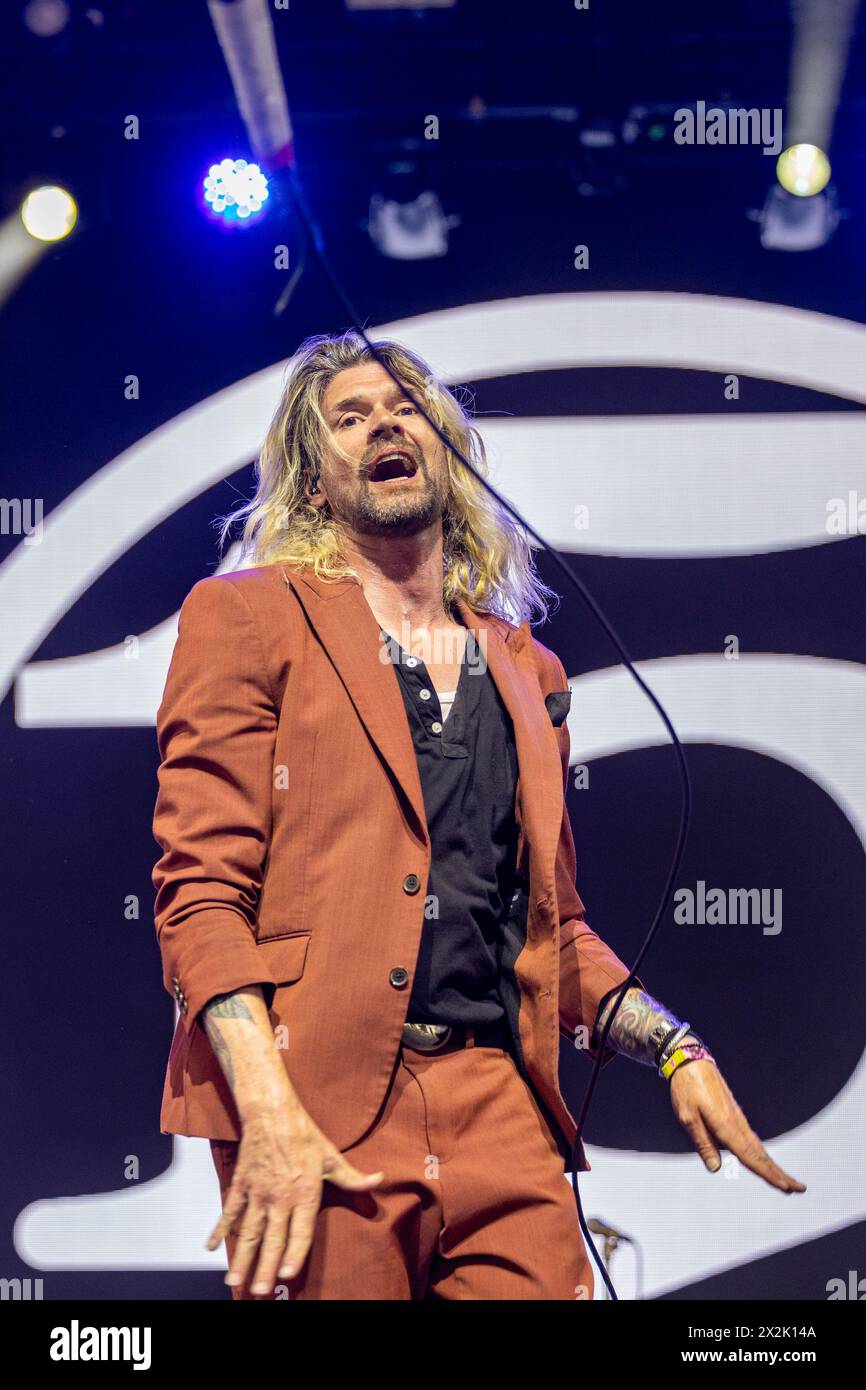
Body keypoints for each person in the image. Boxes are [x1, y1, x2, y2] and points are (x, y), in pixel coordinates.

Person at [151, 330, 805, 1301]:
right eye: (349, 415)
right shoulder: (247, 614)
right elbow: (200, 892)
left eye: (403, 407)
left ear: (447, 452)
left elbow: (554, 924)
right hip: (319, 1095)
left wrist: (677, 1048)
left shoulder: (525, 667)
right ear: (315, 479)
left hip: (497, 1097)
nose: (382, 421)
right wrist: (269, 1109)